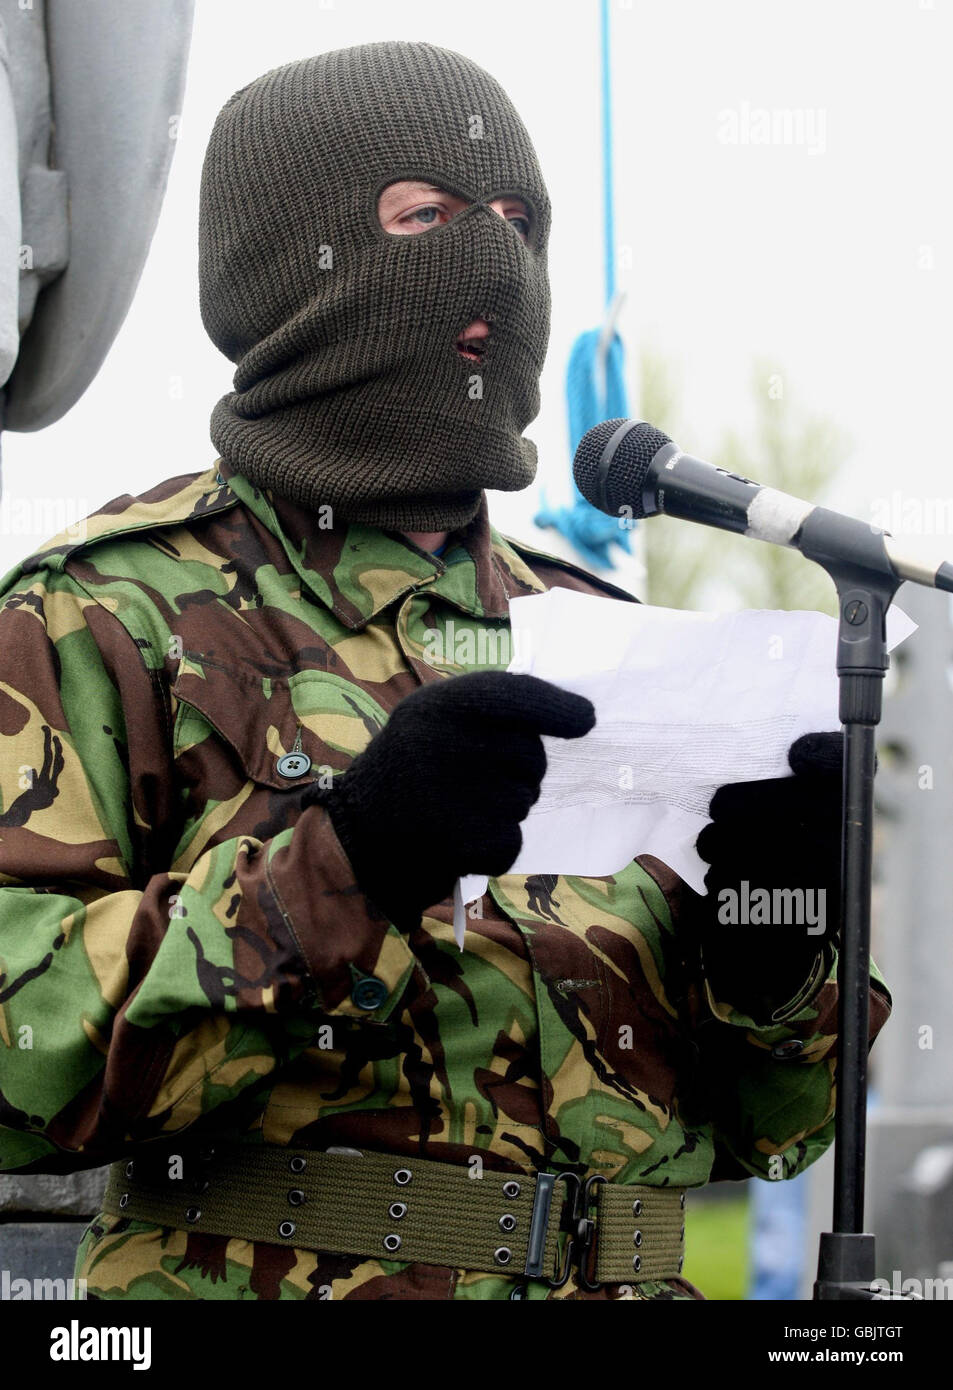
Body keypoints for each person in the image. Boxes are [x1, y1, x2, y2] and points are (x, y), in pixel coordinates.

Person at [0, 41, 890, 1301]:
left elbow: (771, 1128)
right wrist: (337, 869)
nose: (491, 259)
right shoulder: (100, 613)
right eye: (425, 215)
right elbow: (14, 1064)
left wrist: (773, 939)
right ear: (280, 259)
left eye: (517, 220)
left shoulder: (610, 639)